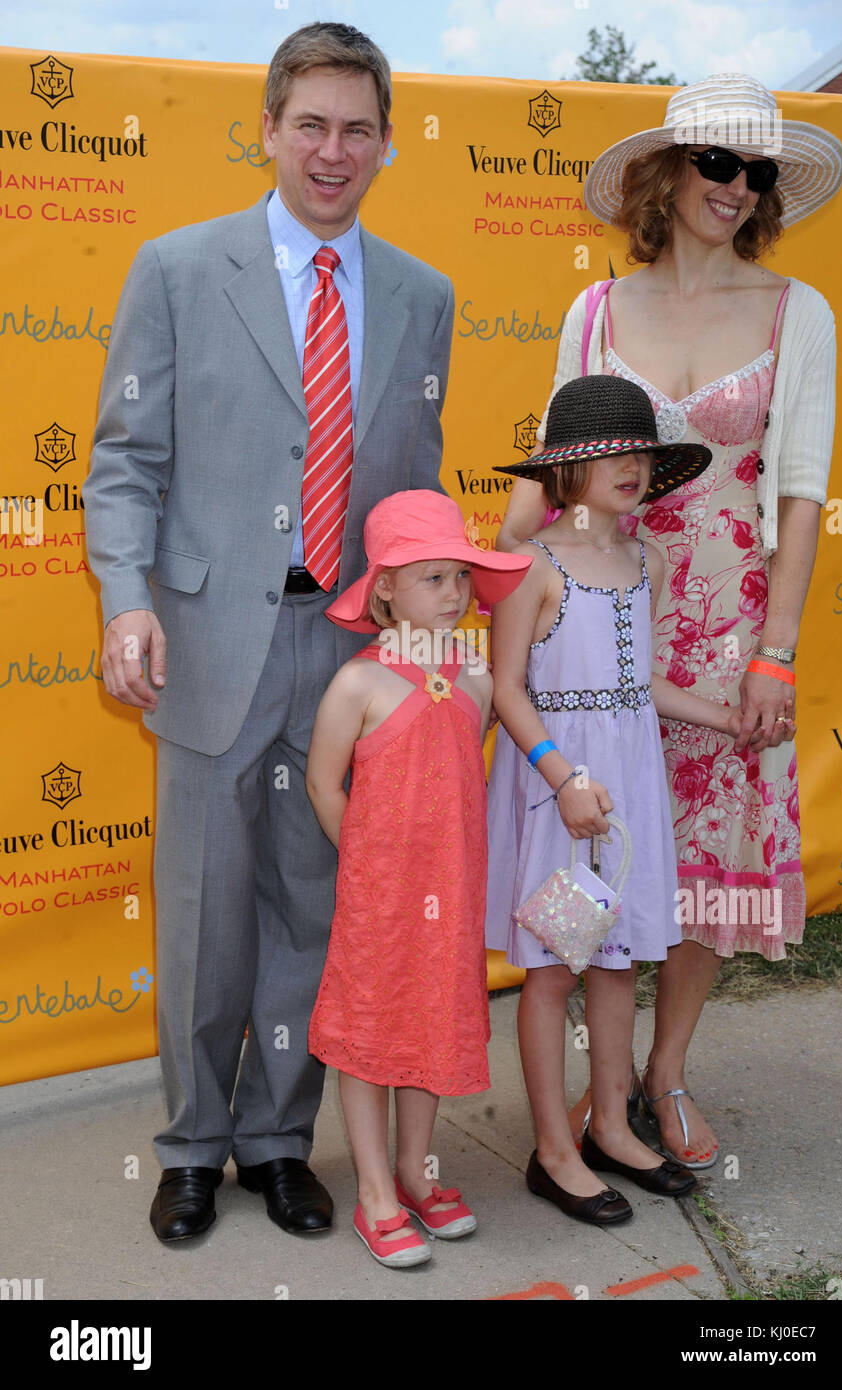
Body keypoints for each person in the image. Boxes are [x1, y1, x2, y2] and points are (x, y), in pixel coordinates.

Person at [82, 23, 455, 1243]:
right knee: (202, 909)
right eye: (311, 125)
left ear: (387, 143)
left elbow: (411, 492)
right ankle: (191, 1143)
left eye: (357, 129)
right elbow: (126, 464)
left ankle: (278, 1142)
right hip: (205, 642)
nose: (332, 151)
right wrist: (127, 597)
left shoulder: (423, 297)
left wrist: (430, 635)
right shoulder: (178, 270)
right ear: (268, 129)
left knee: (318, 906)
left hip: (351, 659)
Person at [496, 73, 842, 1168]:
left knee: (713, 854)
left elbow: (797, 491)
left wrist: (775, 657)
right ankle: (593, 1101)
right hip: (596, 626)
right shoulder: (593, 311)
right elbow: (546, 480)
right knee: (592, 842)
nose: (735, 189)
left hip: (732, 622)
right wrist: (470, 578)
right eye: (714, 163)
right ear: (663, 171)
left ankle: (664, 1071)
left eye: (754, 173)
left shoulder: (798, 313)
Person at [486, 375, 795, 1221]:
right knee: (552, 969)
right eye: (608, 453)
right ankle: (553, 1150)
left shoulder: (645, 558)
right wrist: (561, 775)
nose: (631, 465)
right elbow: (508, 690)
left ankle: (612, 1129)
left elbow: (640, 682)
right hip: (561, 796)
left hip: (628, 790)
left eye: (641, 452)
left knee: (619, 960)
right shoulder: (530, 565)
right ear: (562, 471)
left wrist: (725, 717)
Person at [304, 490, 529, 1266]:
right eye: (432, 578)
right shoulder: (358, 686)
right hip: (378, 902)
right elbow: (323, 784)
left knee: (429, 1026)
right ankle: (372, 1190)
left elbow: (464, 773)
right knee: (369, 1039)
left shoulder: (475, 677)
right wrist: (368, 861)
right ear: (386, 589)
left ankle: (414, 1169)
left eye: (461, 579)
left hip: (452, 898)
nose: (453, 595)